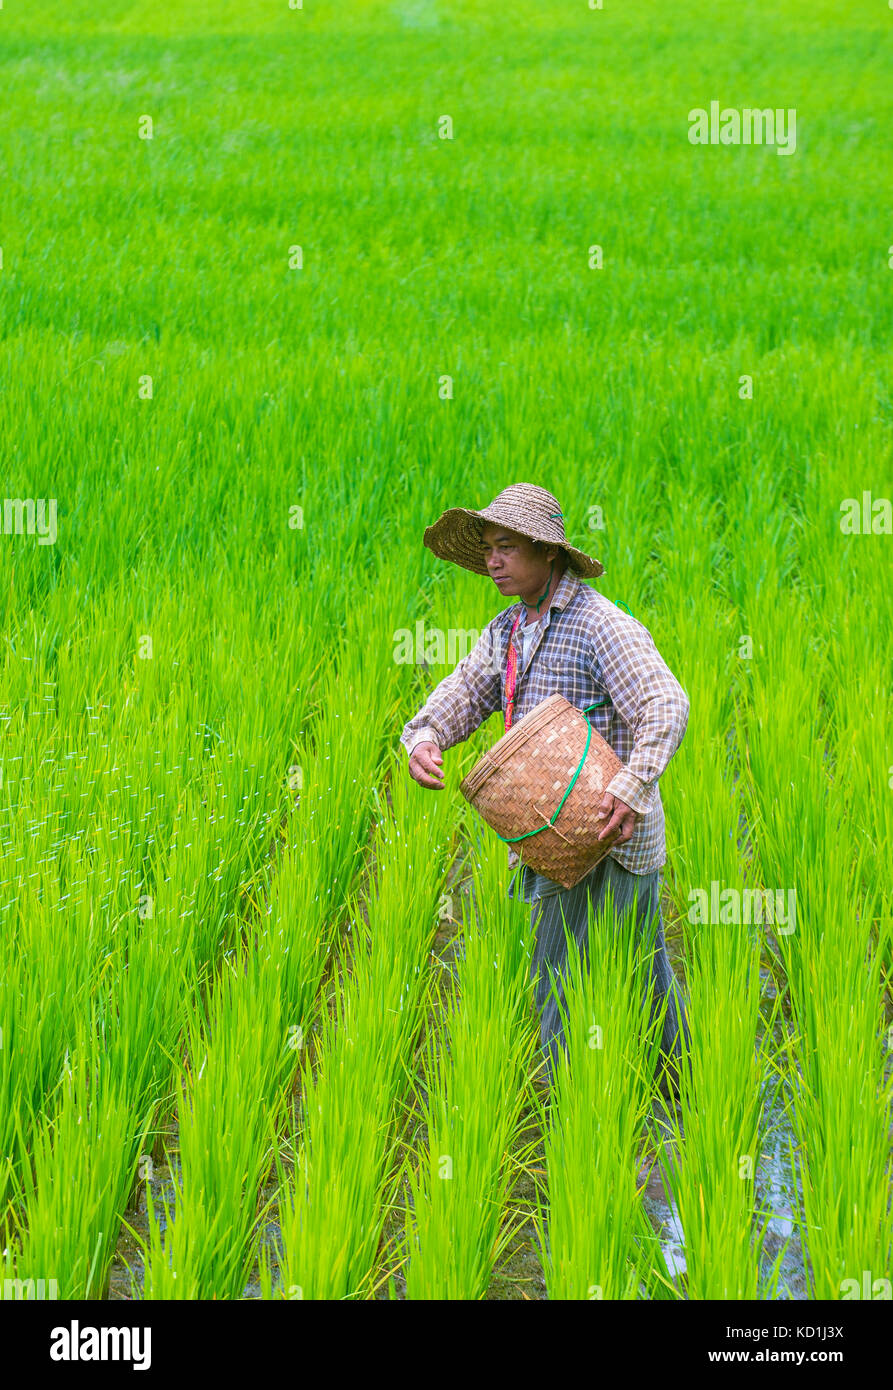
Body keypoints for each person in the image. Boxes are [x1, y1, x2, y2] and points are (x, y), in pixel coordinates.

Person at [399, 482, 691, 1095]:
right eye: (487, 549)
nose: (493, 562)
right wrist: (425, 736)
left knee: (591, 971)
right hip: (553, 839)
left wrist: (632, 784)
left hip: (613, 833)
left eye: (507, 547)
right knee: (613, 967)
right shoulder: (508, 629)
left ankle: (587, 1103)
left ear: (549, 552)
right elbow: (467, 691)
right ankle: (659, 1085)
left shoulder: (598, 625)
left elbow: (664, 702)